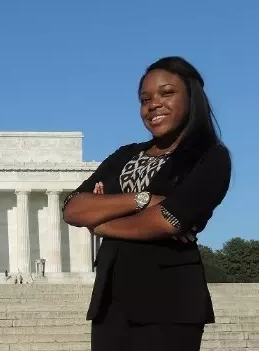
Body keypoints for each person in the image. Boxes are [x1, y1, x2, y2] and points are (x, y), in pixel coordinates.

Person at [62, 56, 232, 351]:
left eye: (167, 93)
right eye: (145, 98)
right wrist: (143, 199)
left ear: (192, 97)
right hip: (110, 301)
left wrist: (102, 223)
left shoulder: (210, 157)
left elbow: (168, 220)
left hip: (170, 302)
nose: (153, 104)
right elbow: (73, 208)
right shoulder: (124, 155)